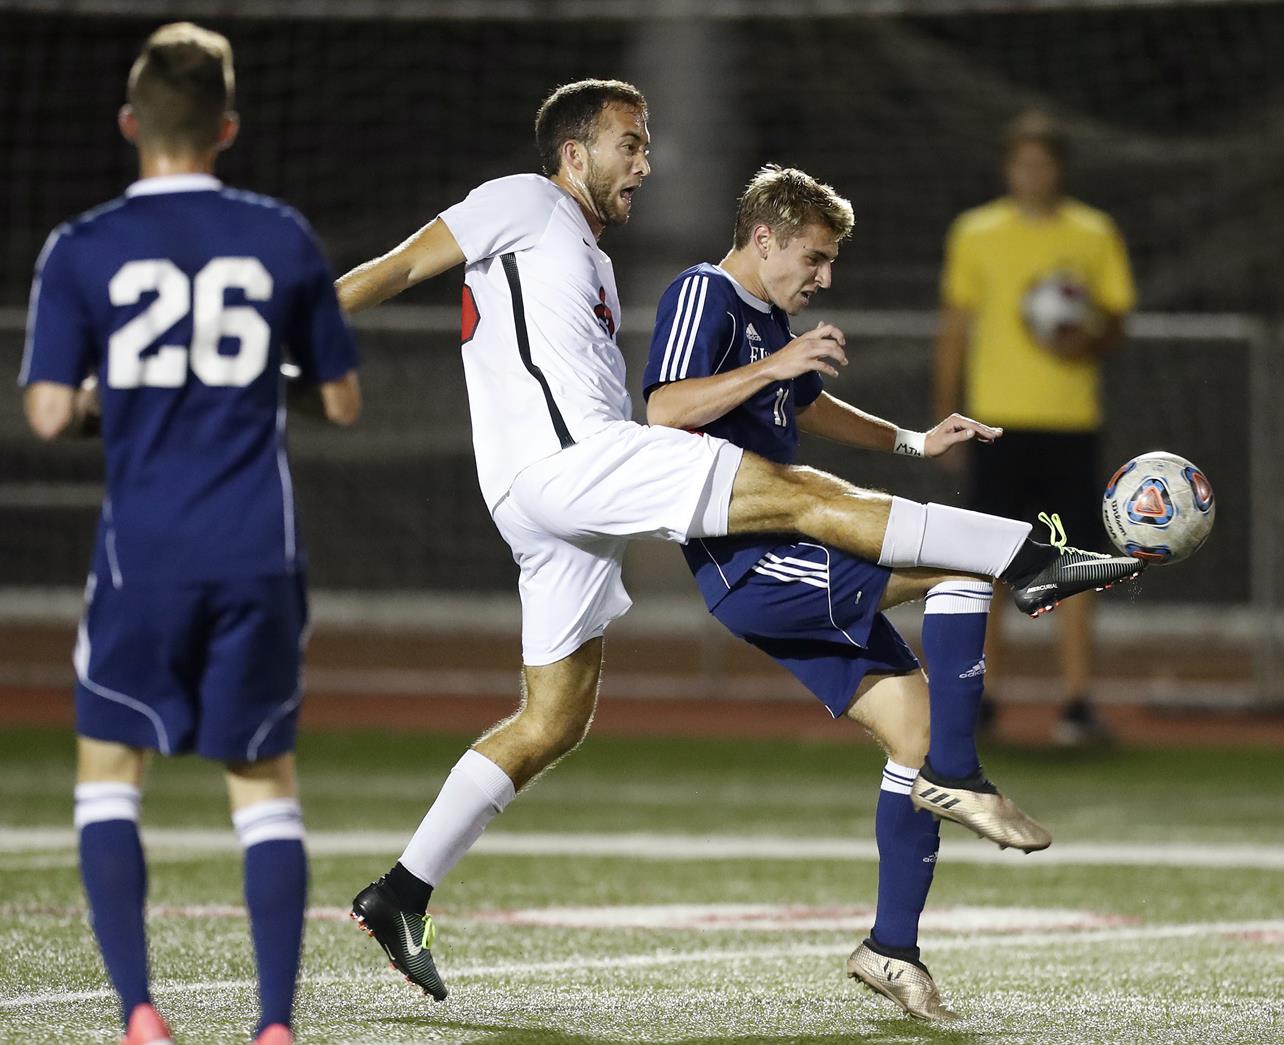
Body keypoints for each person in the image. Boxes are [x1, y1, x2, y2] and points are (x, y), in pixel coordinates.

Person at [334, 79, 1140, 1004]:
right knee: (803, 496)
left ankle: (401, 889)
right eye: (629, 143)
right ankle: (1028, 557)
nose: (646, 161)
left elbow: (775, 398)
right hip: (573, 464)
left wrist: (912, 435)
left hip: (566, 496)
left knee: (554, 717)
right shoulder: (523, 200)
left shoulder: (590, 260)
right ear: (570, 153)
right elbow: (401, 268)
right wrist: (309, 328)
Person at [643, 164, 1085, 1020]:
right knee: (963, 566)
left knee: (912, 732)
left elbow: (808, 407)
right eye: (814, 257)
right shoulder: (705, 291)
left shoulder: (769, 319)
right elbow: (664, 408)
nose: (825, 277)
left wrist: (915, 441)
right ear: (762, 237)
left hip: (790, 552)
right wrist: (775, 363)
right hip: (752, 563)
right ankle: (966, 769)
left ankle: (891, 948)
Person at [18, 23, 361, 1045]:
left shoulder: (82, 247)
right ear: (227, 127)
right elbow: (341, 402)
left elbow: (42, 414)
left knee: (109, 768)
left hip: (144, 555)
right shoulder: (283, 236)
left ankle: (139, 1012)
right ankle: (272, 1024)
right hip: (259, 550)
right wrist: (257, 376)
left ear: (131, 125)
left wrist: (110, 400)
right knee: (262, 781)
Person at [933, 110, 1137, 747]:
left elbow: (1115, 322)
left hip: (1071, 424)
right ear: (1007, 167)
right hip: (996, 426)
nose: (1032, 173)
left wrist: (1088, 338)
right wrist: (947, 413)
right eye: (1022, 161)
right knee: (989, 569)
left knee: (1076, 565)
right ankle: (980, 699)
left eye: (1043, 162)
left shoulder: (1093, 233)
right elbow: (955, 328)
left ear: (1059, 168)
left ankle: (1076, 703)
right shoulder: (976, 232)